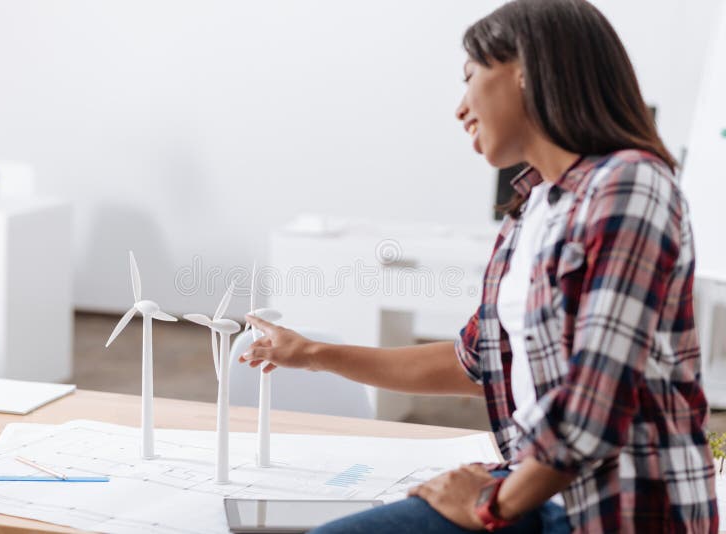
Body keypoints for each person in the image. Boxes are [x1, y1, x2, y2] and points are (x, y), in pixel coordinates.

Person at [240, 0, 720, 531]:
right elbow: (478, 361)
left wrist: (488, 504)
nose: (460, 107)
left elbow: (593, 407)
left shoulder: (629, 183)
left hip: (617, 511)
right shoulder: (531, 208)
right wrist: (310, 353)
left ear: (526, 71)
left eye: (470, 76)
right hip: (535, 492)